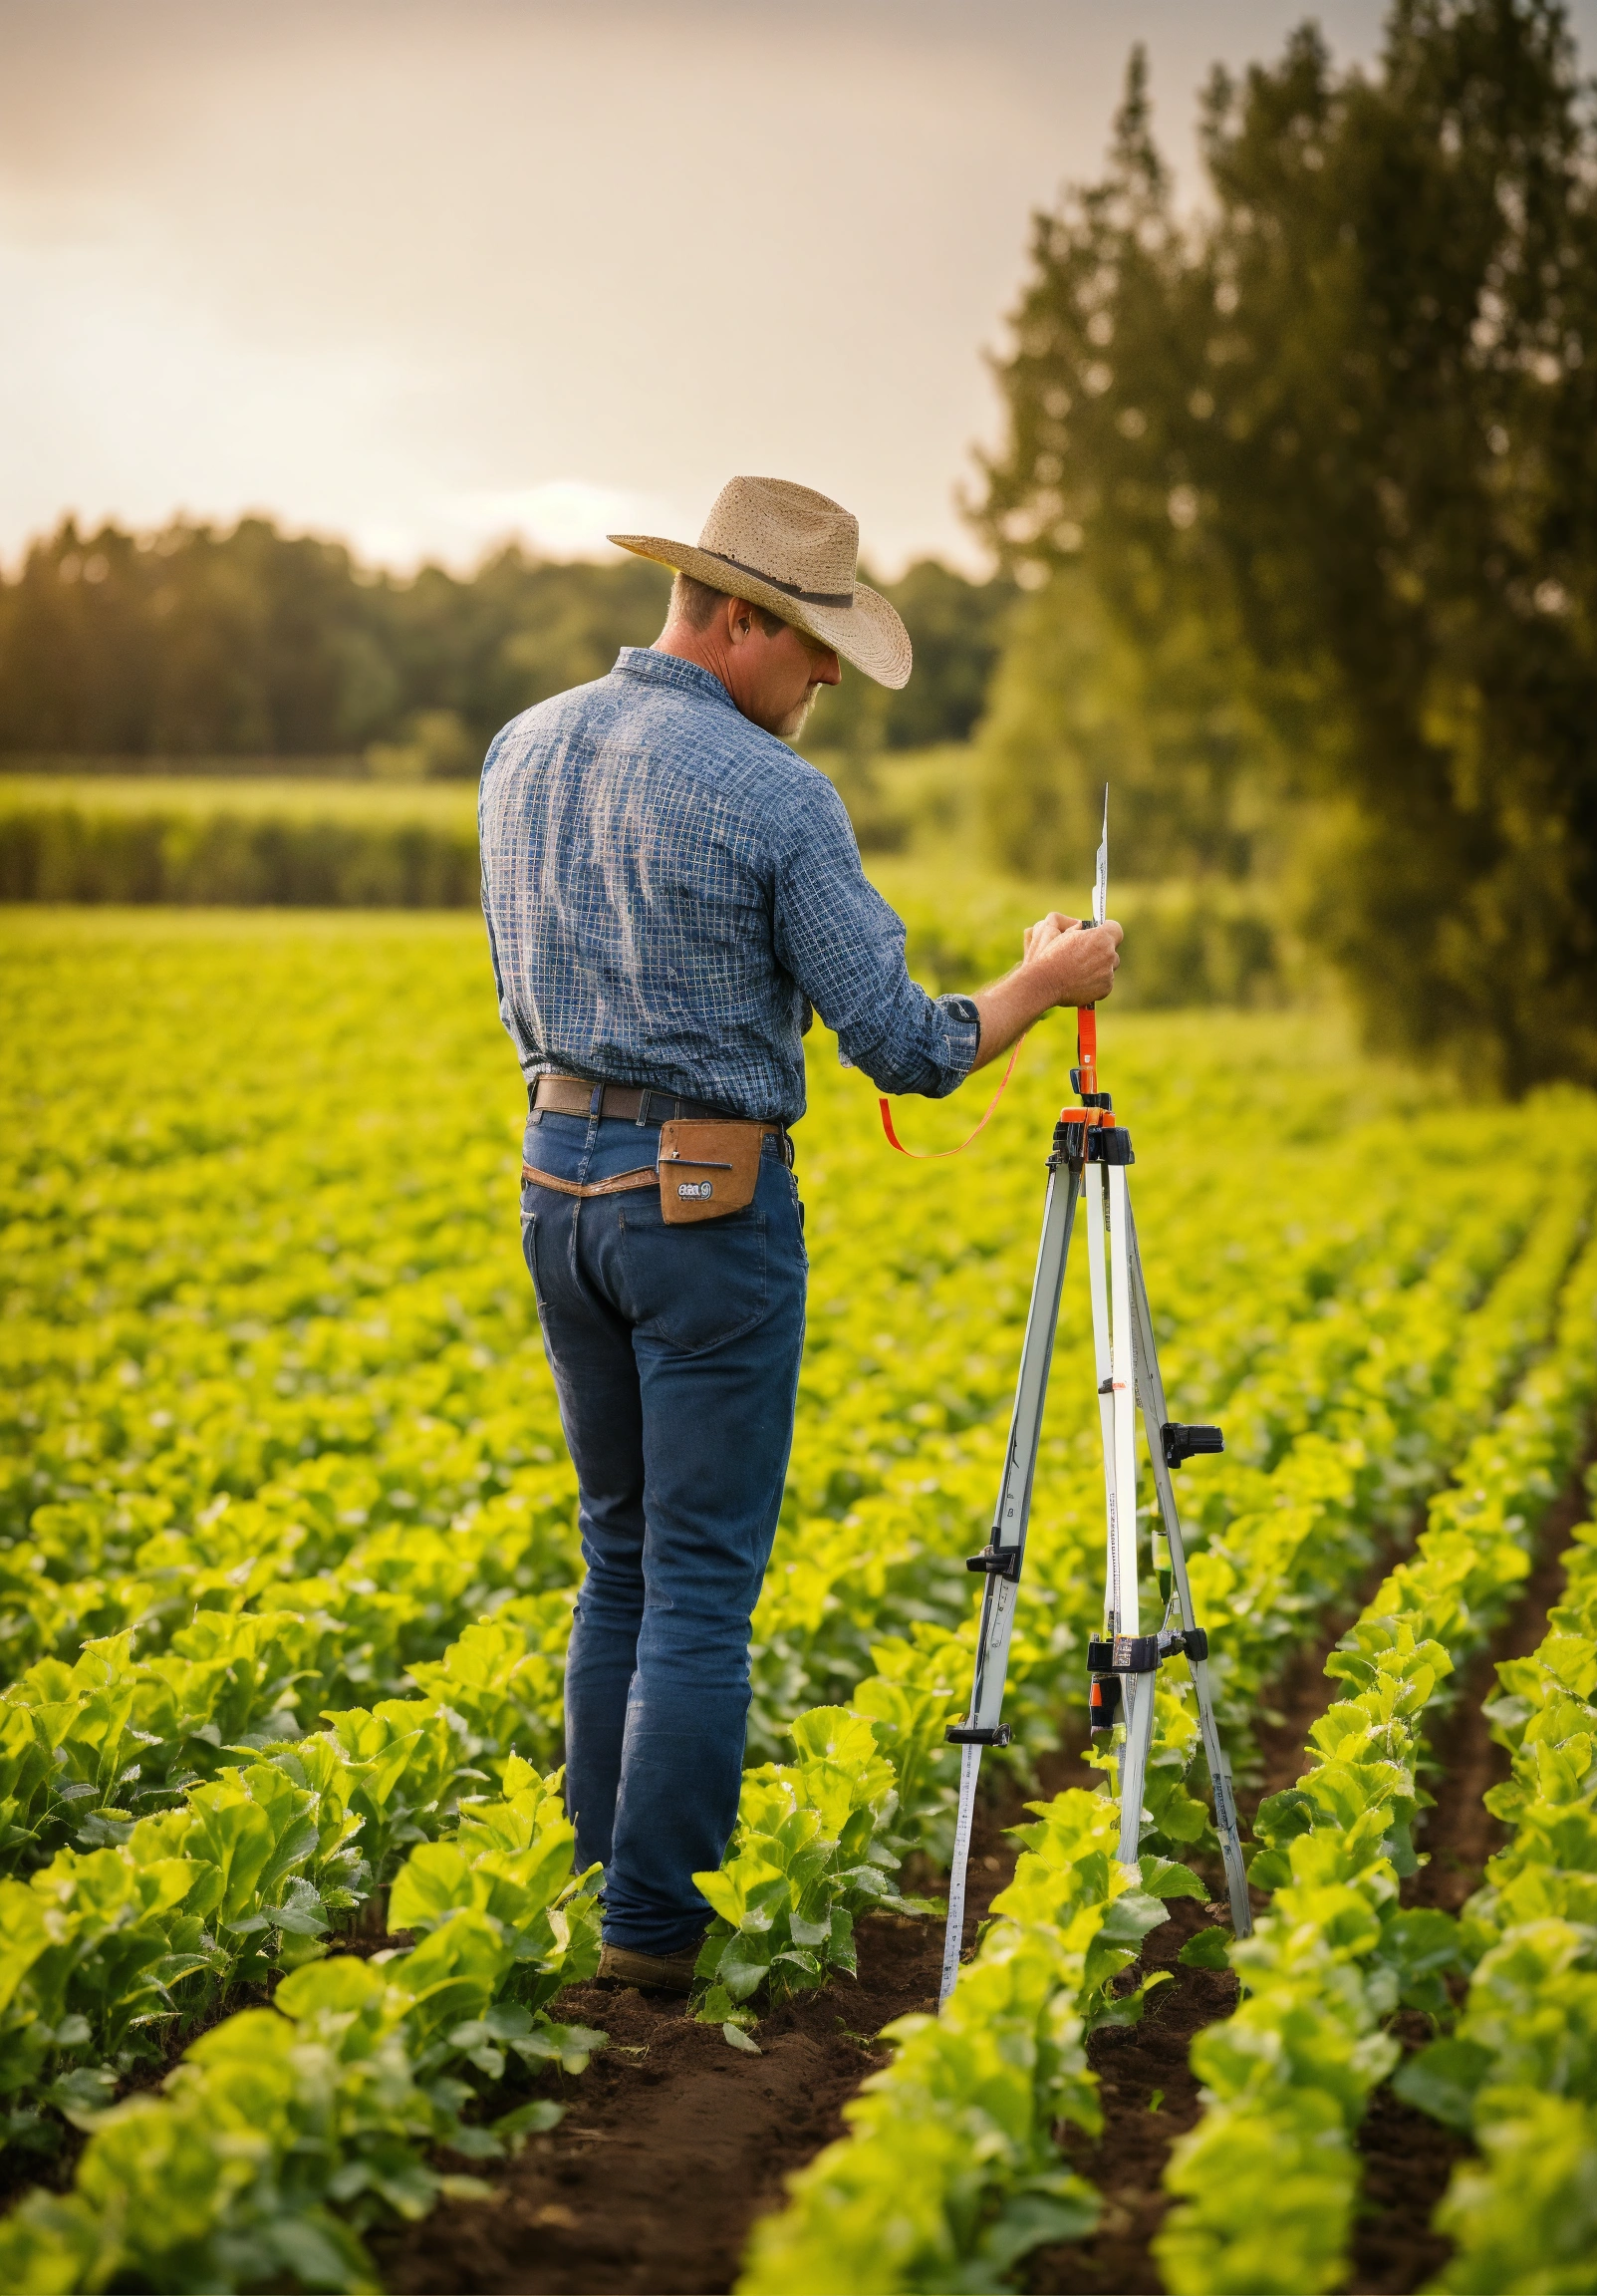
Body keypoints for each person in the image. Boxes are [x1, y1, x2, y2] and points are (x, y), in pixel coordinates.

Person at [478, 475, 1122, 1990]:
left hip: (554, 1182)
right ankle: (654, 1929)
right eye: (817, 640)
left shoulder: (523, 747)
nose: (831, 673)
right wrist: (1048, 980)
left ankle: (592, 1894)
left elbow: (523, 992)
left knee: (618, 1559)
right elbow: (904, 1045)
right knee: (700, 1577)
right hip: (704, 1208)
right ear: (741, 617)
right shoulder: (775, 797)